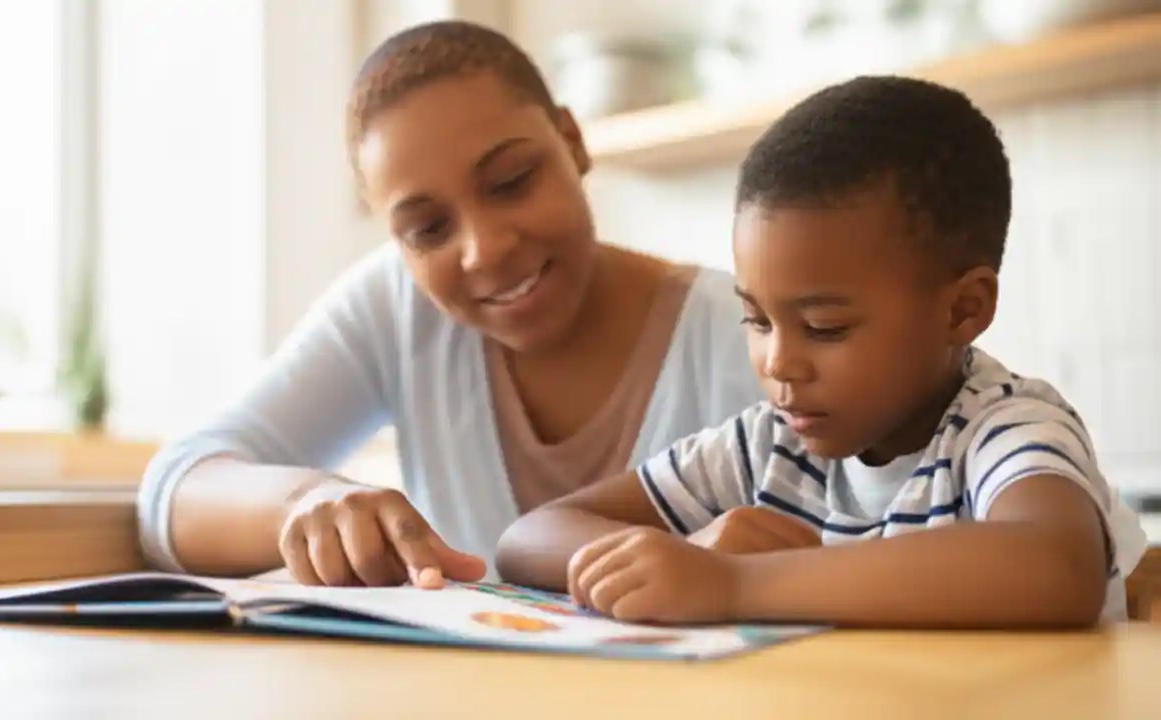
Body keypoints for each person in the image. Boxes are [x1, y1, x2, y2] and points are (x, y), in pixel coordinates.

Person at [496, 75, 1147, 627]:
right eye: (756, 319)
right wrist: (689, 550)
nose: (778, 363)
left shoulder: (1004, 427)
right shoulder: (764, 450)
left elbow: (1054, 570)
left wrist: (735, 585)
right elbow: (527, 539)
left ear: (962, 310)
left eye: (825, 328)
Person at [136, 20, 762, 588]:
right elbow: (174, 492)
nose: (485, 250)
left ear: (572, 141)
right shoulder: (397, 309)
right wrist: (303, 502)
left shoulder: (747, 335)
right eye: (428, 229)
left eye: (512, 182)